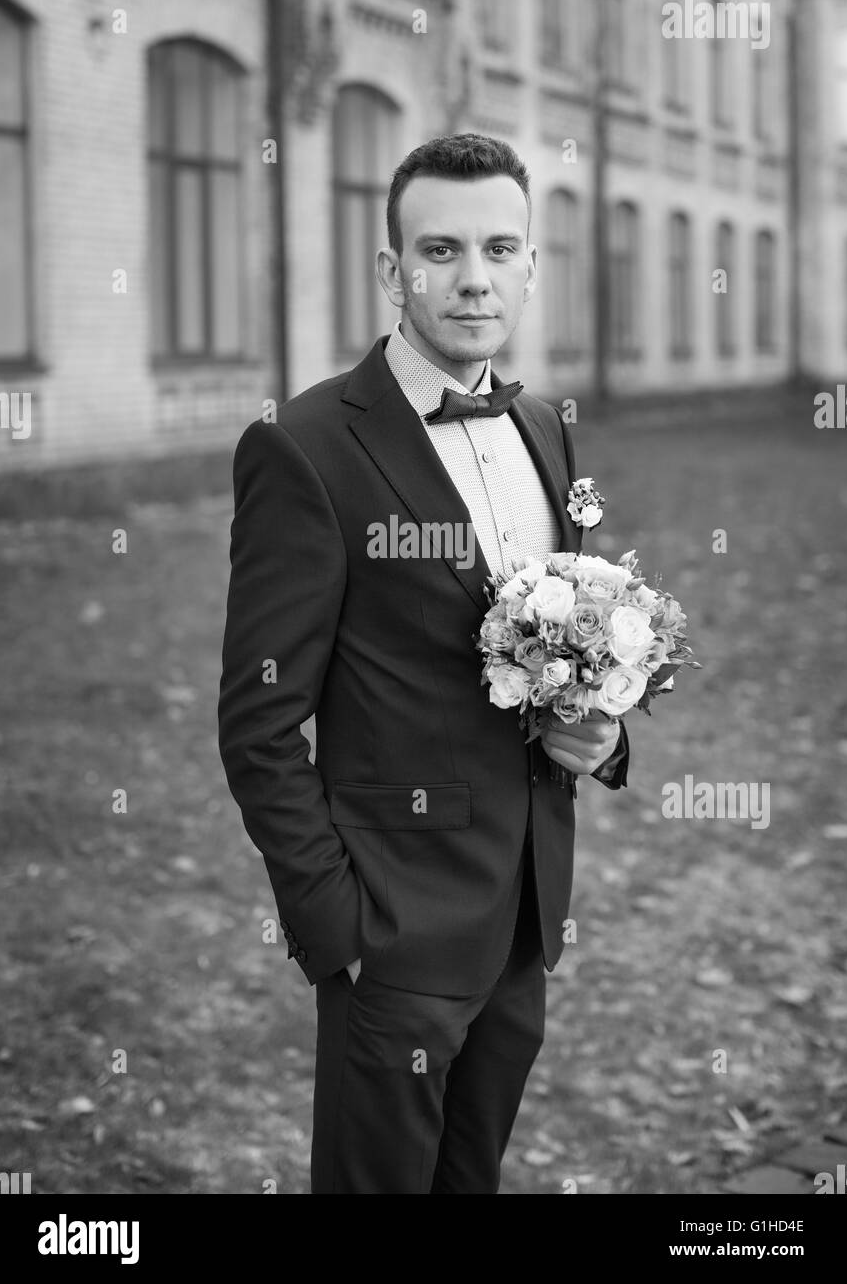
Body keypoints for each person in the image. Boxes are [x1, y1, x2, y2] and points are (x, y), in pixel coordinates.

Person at [218, 133, 629, 1194]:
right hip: (391, 933)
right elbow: (259, 721)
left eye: (499, 247)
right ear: (390, 271)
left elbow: (560, 655)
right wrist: (336, 929)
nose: (472, 278)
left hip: (526, 913)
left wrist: (602, 728)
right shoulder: (306, 446)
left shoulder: (544, 426)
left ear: (533, 265)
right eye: (438, 250)